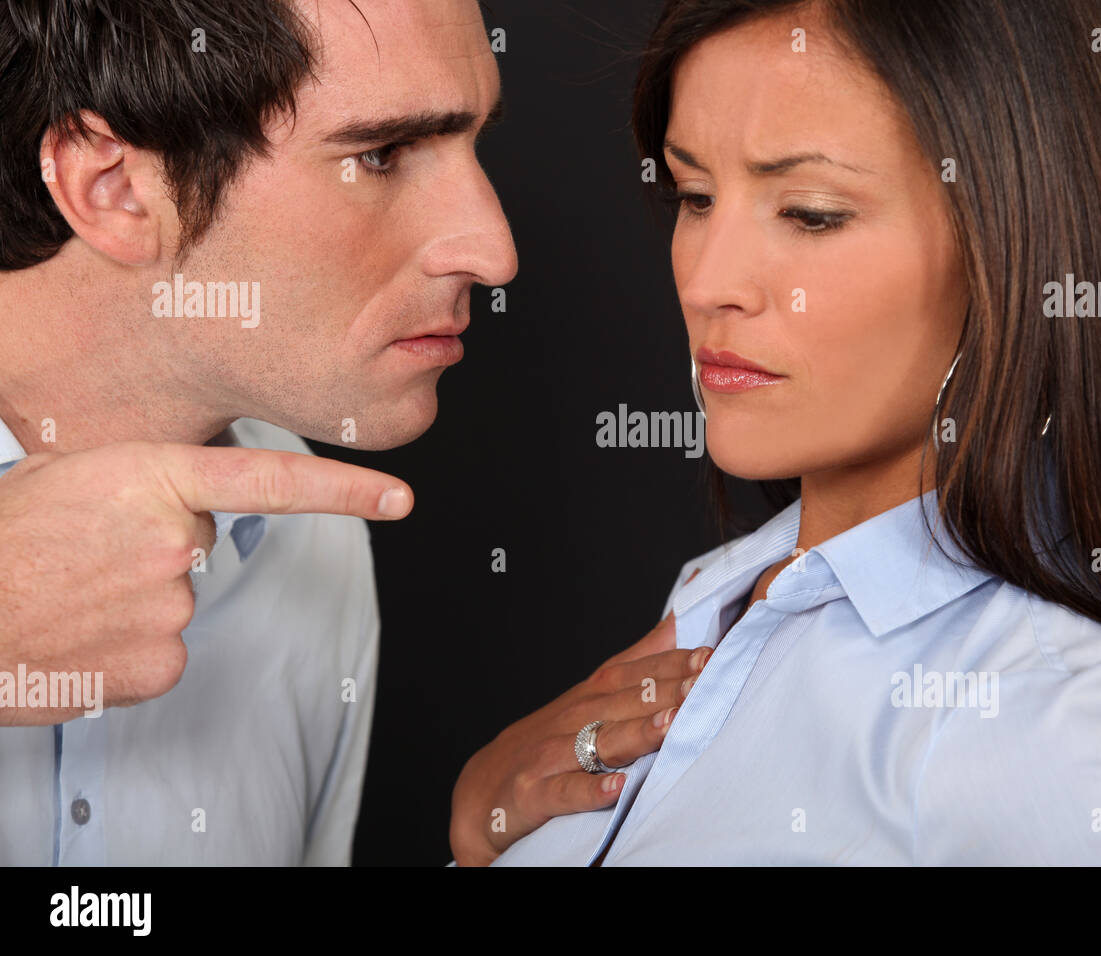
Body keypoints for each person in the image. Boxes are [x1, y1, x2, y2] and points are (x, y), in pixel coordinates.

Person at [454, 0, 1101, 865]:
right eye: (695, 195)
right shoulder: (724, 591)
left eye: (811, 213)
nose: (708, 281)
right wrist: (481, 813)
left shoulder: (1029, 709)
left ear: (1022, 246)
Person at [0, 0, 681, 865]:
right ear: (116, 189)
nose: (493, 251)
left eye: (473, 142)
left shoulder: (308, 546)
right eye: (382, 154)